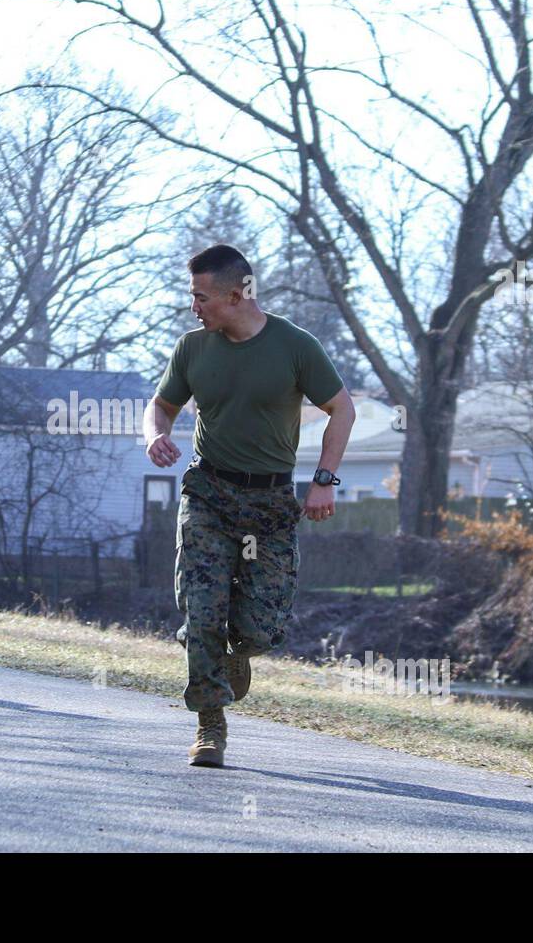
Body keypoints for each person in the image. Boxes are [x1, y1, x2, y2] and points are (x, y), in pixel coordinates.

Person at [143, 244, 356, 767]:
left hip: (269, 500)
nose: (194, 306)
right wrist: (155, 435)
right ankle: (209, 725)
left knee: (264, 627)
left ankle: (238, 653)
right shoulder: (192, 348)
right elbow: (161, 405)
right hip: (208, 493)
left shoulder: (295, 346)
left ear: (237, 295)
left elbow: (342, 409)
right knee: (201, 611)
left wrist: (324, 480)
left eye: (201, 297)